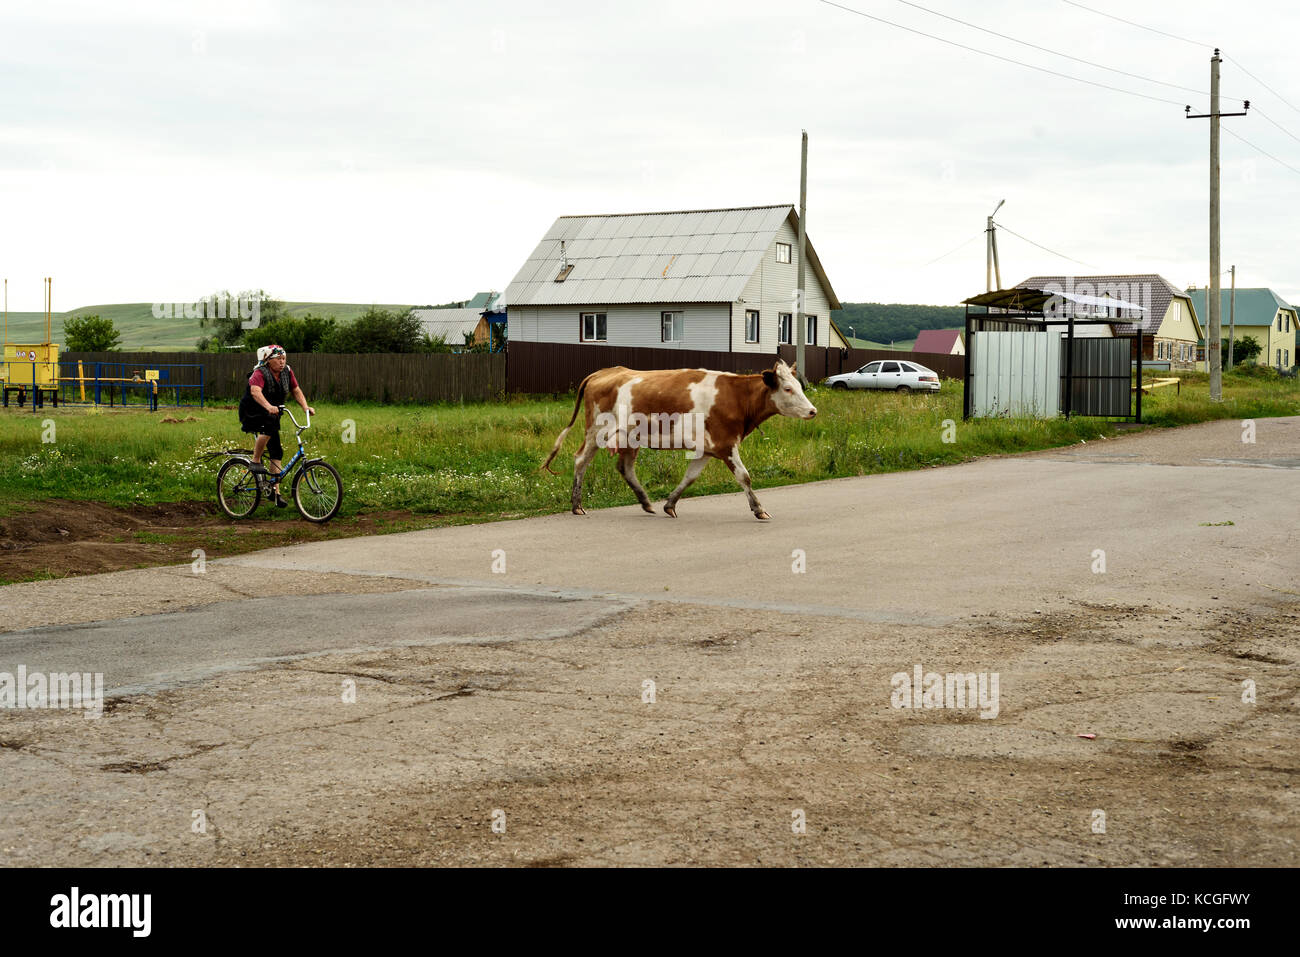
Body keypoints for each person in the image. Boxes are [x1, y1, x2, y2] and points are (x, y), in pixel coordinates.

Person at [238, 345, 314, 507]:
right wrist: (268, 406)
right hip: (253, 411)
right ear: (268, 360)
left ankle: (275, 492)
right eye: (278, 359)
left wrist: (305, 407)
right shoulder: (260, 372)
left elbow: (296, 390)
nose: (282, 362)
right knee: (269, 428)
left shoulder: (287, 372)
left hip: (272, 413)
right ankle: (255, 461)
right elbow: (255, 392)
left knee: (276, 451)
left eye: (283, 358)